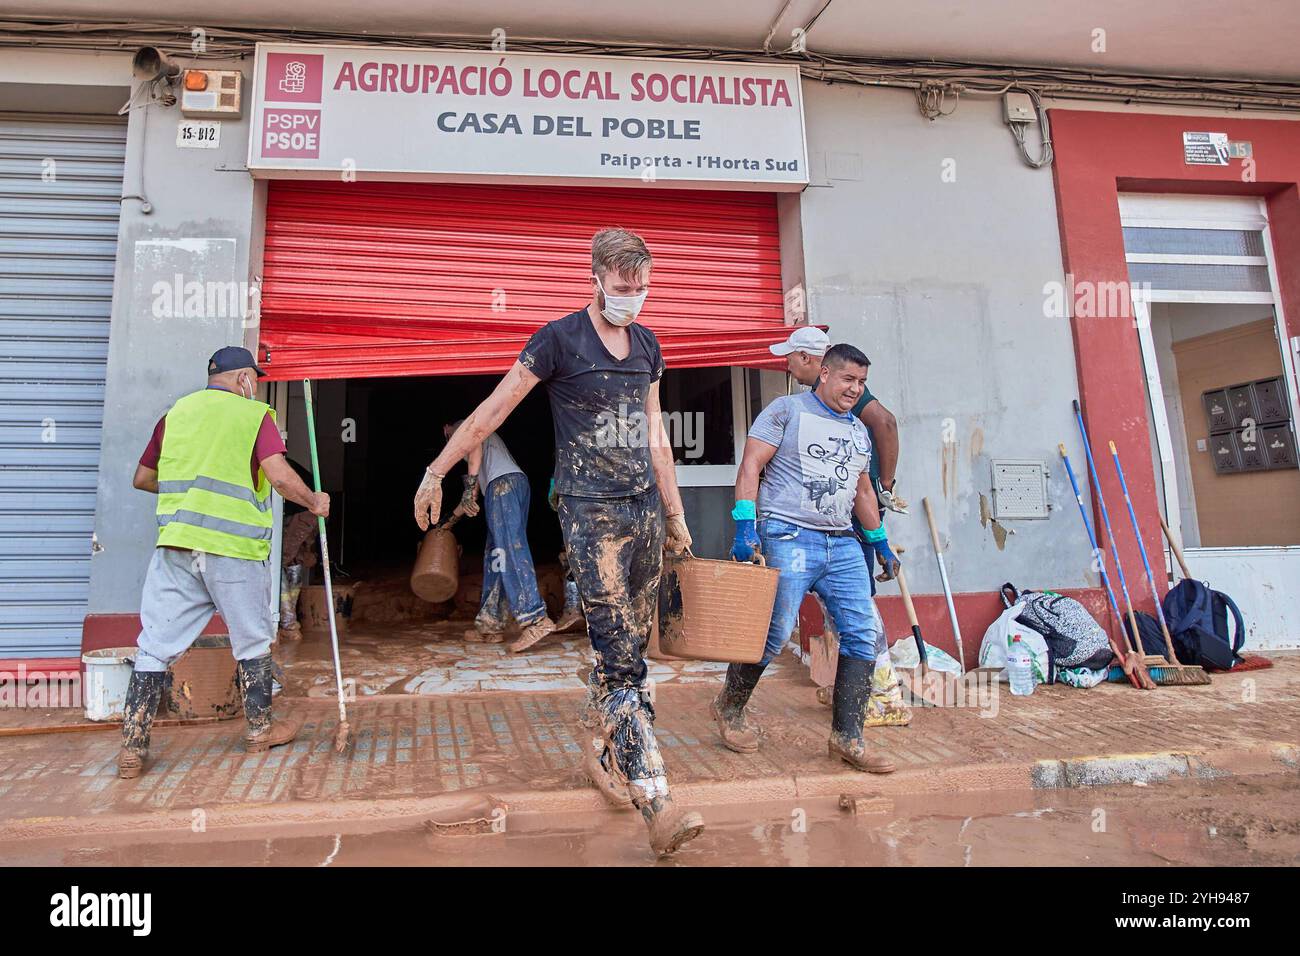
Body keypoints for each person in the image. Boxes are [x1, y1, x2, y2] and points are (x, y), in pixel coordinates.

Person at [413, 228, 703, 857]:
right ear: (596, 278)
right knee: (619, 653)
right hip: (588, 513)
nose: (634, 298)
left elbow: (655, 434)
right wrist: (438, 470)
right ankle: (656, 798)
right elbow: (491, 412)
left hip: (644, 512)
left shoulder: (648, 344)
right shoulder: (557, 340)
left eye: (643, 288)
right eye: (624, 288)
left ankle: (601, 748)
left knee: (630, 647)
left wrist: (677, 515)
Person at [119, 347, 329, 778]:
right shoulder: (254, 416)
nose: (259, 386)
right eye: (257, 378)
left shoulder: (175, 414)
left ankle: (132, 748)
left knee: (154, 644)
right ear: (243, 379)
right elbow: (278, 475)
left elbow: (142, 478)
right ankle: (259, 730)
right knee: (251, 642)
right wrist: (314, 501)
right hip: (232, 550)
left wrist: (191, 493)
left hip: (176, 546)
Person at [719, 343, 900, 773]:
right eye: (847, 379)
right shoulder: (786, 411)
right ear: (824, 374)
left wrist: (879, 542)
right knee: (775, 633)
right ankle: (729, 708)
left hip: (842, 543)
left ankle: (847, 738)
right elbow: (750, 466)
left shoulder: (858, 432)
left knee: (861, 634)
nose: (855, 389)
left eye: (861, 382)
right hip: (789, 534)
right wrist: (746, 526)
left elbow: (862, 492)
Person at [771, 328, 912, 726]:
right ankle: (857, 690)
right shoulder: (810, 406)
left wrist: (884, 489)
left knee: (857, 605)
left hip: (851, 514)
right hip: (830, 515)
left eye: (792, 357)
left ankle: (884, 696)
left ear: (813, 363)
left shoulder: (848, 395)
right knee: (839, 608)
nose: (787, 364)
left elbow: (885, 422)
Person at [440, 420, 556, 652]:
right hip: (503, 486)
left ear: (446, 429)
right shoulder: (475, 456)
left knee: (509, 549)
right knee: (496, 556)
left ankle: (536, 618)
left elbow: (473, 448)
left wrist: (471, 483)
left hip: (504, 484)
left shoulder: (465, 426)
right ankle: (490, 624)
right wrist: (448, 522)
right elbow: (470, 496)